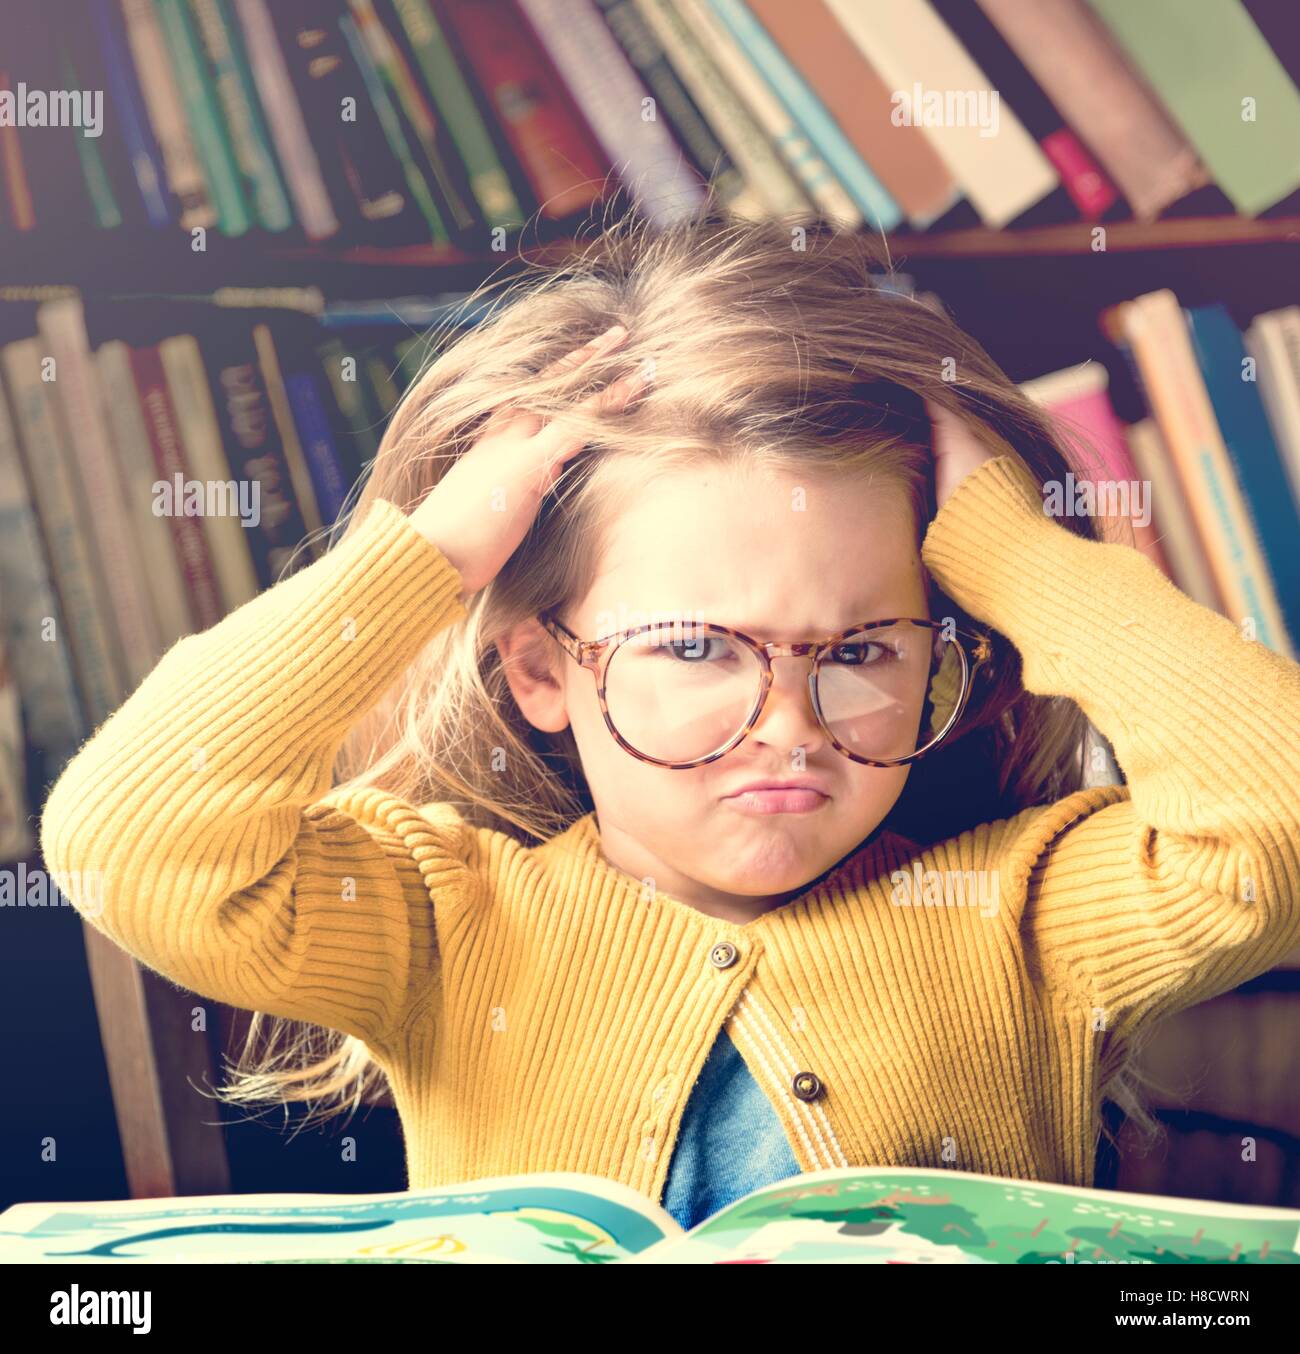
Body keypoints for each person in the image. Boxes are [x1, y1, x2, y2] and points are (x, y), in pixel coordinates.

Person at [41, 215, 1300, 1231]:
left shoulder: (1026, 912)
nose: (789, 726)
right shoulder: (442, 921)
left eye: (859, 648)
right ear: (540, 672)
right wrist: (420, 559)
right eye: (693, 647)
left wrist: (1017, 560)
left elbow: (1276, 821)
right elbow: (132, 842)